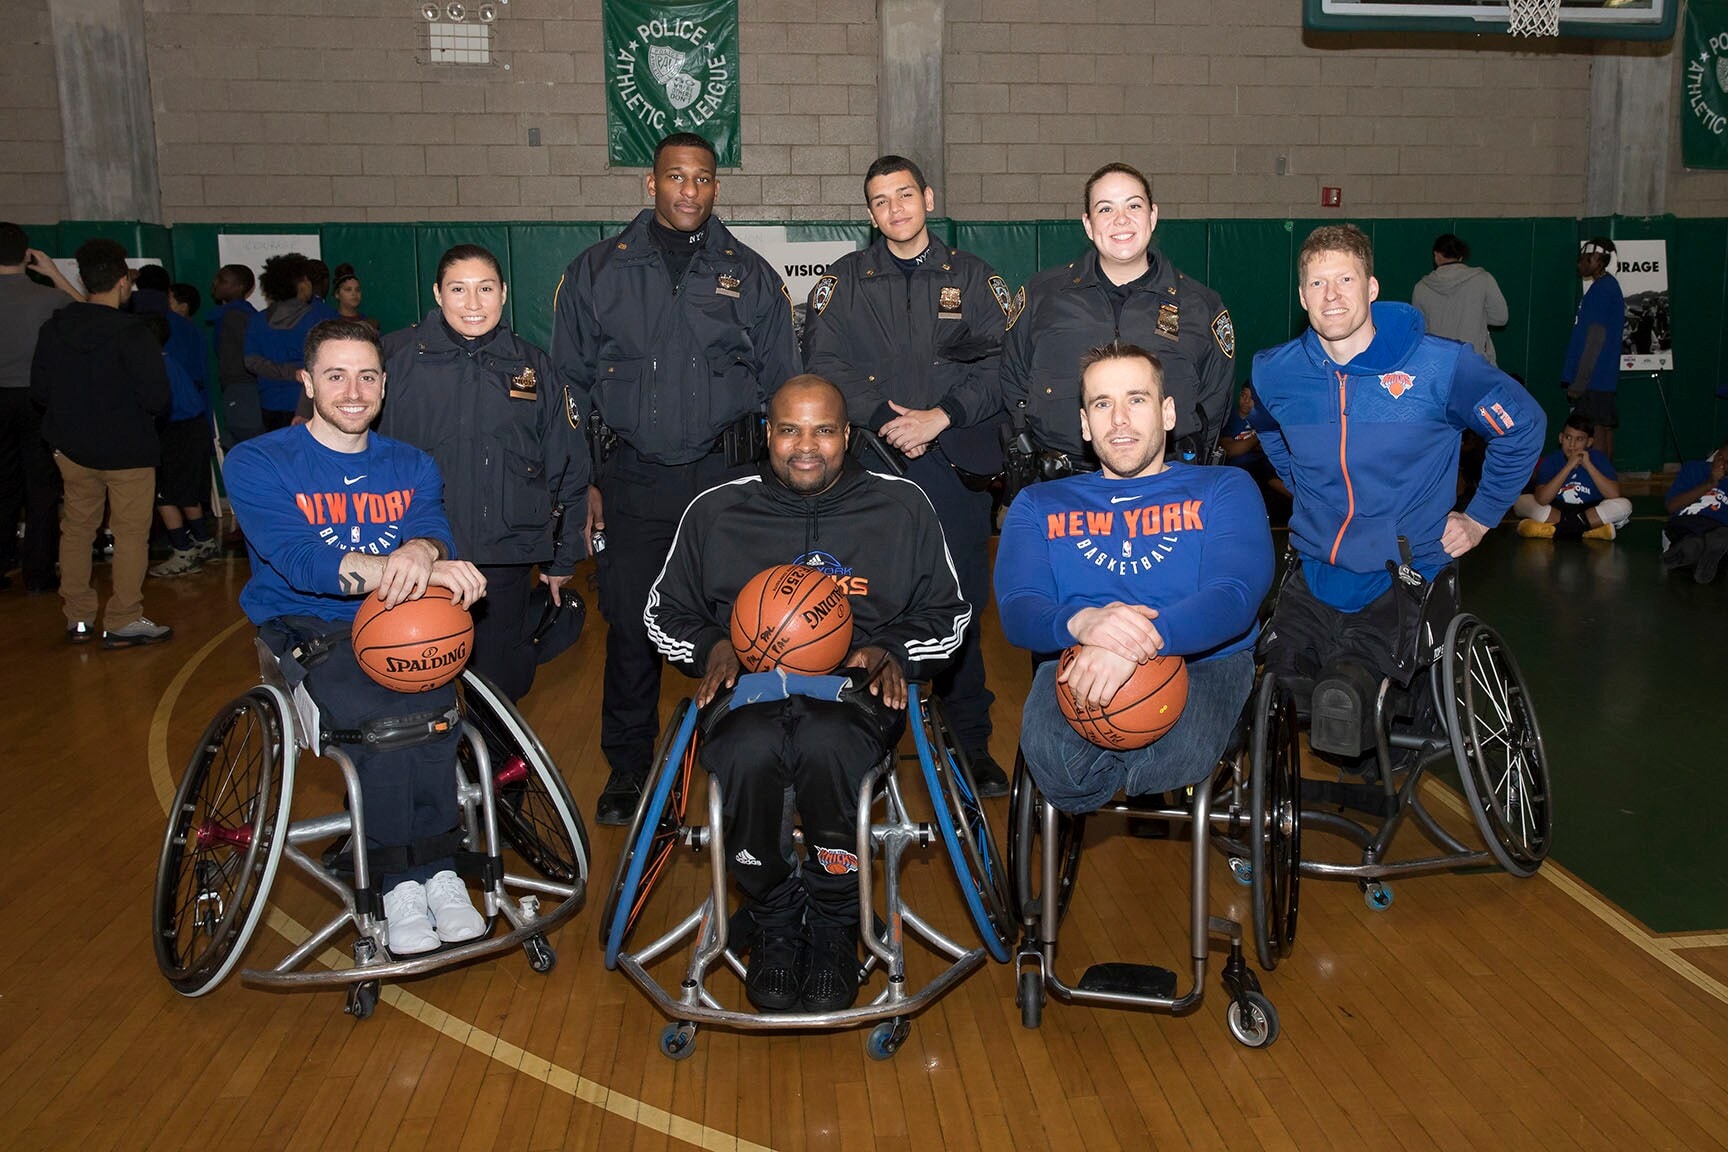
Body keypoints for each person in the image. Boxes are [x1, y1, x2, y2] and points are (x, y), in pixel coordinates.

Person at [644, 375, 969, 1013]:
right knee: (748, 752)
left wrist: (893, 649)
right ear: (769, 433)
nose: (806, 447)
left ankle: (832, 920)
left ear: (848, 436)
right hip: (749, 690)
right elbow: (663, 612)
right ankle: (771, 911)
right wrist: (713, 643)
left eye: (824, 431)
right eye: (790, 430)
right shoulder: (717, 507)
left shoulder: (901, 506)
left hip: (853, 691)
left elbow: (949, 613)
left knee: (825, 745)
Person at [550, 131, 800, 826]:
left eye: (702, 179)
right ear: (650, 185)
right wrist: (584, 484)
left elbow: (783, 388)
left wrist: (779, 488)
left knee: (743, 627)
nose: (688, 190)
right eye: (675, 177)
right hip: (630, 477)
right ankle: (630, 770)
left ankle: (742, 764)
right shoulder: (597, 271)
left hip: (729, 478)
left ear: (717, 188)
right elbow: (567, 390)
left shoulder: (749, 275)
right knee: (632, 625)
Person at [223, 318, 492, 956]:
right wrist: (398, 567)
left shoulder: (411, 463)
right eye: (336, 375)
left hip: (394, 618)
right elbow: (301, 561)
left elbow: (430, 526)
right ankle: (399, 883)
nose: (353, 390)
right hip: (304, 625)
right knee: (387, 714)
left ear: (383, 384)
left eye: (367, 376)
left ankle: (442, 873)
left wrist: (426, 549)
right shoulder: (257, 461)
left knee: (434, 704)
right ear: (307, 382)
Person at [1248, 224, 1543, 755]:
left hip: (1403, 576)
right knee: (1267, 695)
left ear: (1372, 287)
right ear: (1301, 295)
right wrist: (1303, 489)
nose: (1332, 295)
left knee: (1345, 698)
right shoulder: (1276, 371)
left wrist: (1481, 515)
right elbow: (1269, 429)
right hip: (1314, 570)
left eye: (1345, 279)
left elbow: (1522, 425)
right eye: (1317, 284)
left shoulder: (1441, 367)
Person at [801, 153, 1013, 796]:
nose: (895, 209)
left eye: (904, 195)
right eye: (880, 201)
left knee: (961, 610)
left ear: (926, 196)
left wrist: (941, 417)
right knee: (866, 607)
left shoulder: (975, 279)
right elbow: (822, 365)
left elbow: (1003, 368)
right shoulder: (842, 284)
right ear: (869, 213)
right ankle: (865, 738)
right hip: (874, 471)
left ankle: (970, 741)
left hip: (953, 470)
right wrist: (886, 420)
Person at [996, 343, 1272, 813]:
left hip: (1205, 658)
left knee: (1174, 755)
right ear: (1085, 424)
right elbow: (1019, 608)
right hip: (1080, 653)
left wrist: (1136, 643)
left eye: (1137, 400)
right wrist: (1085, 625)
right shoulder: (1039, 504)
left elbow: (1234, 595)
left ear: (1167, 413)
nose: (1119, 420)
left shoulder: (1224, 487)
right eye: (1102, 404)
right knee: (1056, 762)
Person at [378, 244, 590, 701]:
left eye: (485, 289)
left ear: (504, 293)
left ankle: (494, 770)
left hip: (504, 558)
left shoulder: (535, 368)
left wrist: (561, 558)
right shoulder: (392, 359)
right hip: (415, 558)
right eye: (459, 289)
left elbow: (567, 464)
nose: (473, 304)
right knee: (416, 683)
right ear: (437, 293)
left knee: (501, 684)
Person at [1002, 162, 1236, 472]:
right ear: (1088, 224)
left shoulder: (1201, 305)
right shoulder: (1041, 295)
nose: (1121, 220)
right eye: (1105, 209)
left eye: (1133, 206)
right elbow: (1013, 382)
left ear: (1152, 215)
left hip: (1166, 488)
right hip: (1062, 487)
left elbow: (1213, 405)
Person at [29, 238, 173, 647]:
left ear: (84, 279)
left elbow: (39, 392)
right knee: (129, 535)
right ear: (124, 282)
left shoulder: (54, 328)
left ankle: (77, 618)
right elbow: (158, 399)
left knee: (76, 528)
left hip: (71, 449)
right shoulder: (134, 333)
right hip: (128, 450)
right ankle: (124, 618)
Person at [0, 222, 81, 593]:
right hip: (35, 399)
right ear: (27, 254)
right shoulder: (46, 298)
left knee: (3, 483)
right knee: (42, 487)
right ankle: (38, 572)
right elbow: (89, 313)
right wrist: (53, 274)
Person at [139, 313, 217, 576]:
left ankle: (183, 551)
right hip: (193, 429)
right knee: (187, 492)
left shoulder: (153, 367)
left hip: (176, 432)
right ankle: (203, 540)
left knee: (164, 495)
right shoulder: (168, 360)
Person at [245, 252, 336, 431]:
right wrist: (295, 372)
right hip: (311, 404)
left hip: (270, 403)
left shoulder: (257, 321)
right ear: (301, 283)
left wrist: (286, 372)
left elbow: (251, 361)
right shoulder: (322, 317)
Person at [1513, 411, 1630, 542]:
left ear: (1589, 442)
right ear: (1561, 438)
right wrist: (1568, 467)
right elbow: (1542, 499)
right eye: (1568, 438)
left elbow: (1614, 494)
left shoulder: (1598, 459)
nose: (1572, 445)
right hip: (1557, 511)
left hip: (1589, 511)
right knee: (1520, 502)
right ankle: (1587, 530)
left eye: (1579, 439)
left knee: (1625, 505)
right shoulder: (1551, 461)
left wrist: (1588, 466)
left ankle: (1557, 529)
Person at [1562, 237, 1625, 459]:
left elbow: (1595, 339)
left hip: (1594, 377)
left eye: (1584, 259)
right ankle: (1607, 482)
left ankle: (1600, 483)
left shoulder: (1602, 290)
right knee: (1602, 427)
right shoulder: (1606, 287)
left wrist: (1580, 380)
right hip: (1600, 377)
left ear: (1598, 259)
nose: (1579, 263)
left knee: (1595, 430)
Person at [1410, 233, 1508, 365]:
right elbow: (1501, 318)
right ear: (1461, 256)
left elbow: (1420, 330)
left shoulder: (1421, 287)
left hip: (1439, 363)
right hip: (1475, 361)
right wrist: (1477, 315)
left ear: (1436, 255)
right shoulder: (1483, 279)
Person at [208, 263, 261, 446]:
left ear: (240, 287)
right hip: (239, 389)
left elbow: (250, 354)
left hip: (243, 390)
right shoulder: (234, 314)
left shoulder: (236, 316)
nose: (215, 284)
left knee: (246, 445)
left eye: (222, 281)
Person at [1661, 437, 1728, 583]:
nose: (1721, 464)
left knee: (1720, 538)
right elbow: (1671, 506)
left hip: (1718, 528)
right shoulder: (1694, 469)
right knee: (1693, 541)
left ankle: (1697, 556)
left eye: (1727, 462)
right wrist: (1709, 484)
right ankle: (1693, 549)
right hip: (1685, 523)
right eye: (1721, 456)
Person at [331, 263, 377, 331]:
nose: (354, 293)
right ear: (337, 294)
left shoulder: (368, 324)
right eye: (348, 290)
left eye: (357, 290)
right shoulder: (330, 322)